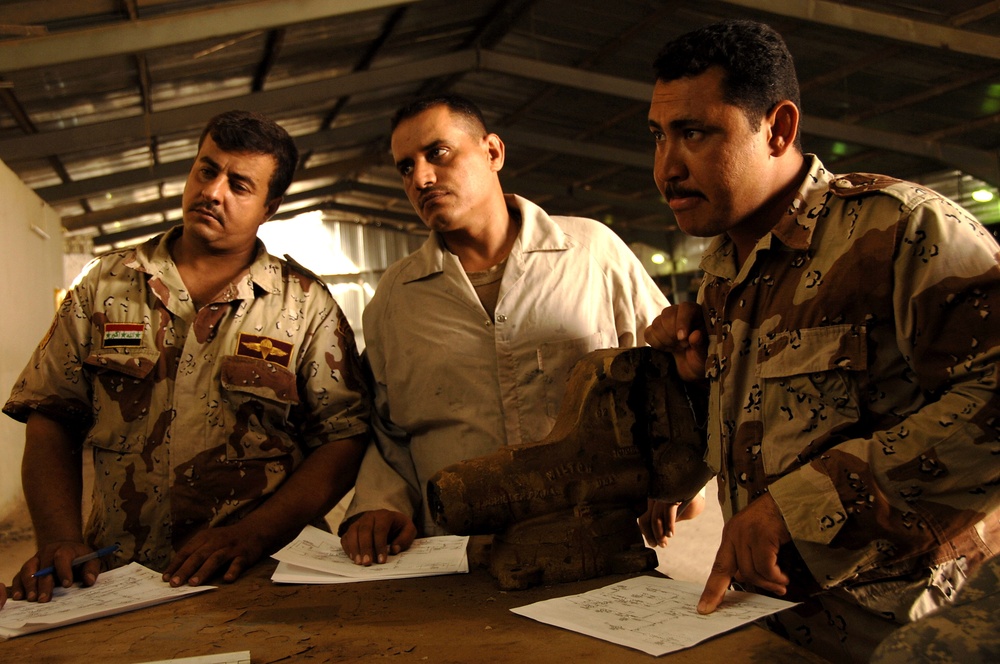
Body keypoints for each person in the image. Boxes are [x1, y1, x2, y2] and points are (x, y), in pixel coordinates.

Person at [644, 19, 1000, 661]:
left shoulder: (900, 229)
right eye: (658, 137)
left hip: (911, 631)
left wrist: (804, 503)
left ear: (778, 129)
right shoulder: (724, 271)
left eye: (694, 133)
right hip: (778, 624)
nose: (667, 166)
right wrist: (691, 378)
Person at [3, 110, 370, 603]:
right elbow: (51, 415)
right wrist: (58, 539)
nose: (214, 191)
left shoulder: (306, 306)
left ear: (270, 206)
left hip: (265, 573)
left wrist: (257, 532)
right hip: (119, 571)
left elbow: (342, 439)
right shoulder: (104, 286)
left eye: (240, 185)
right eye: (207, 170)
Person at [339, 94, 685, 566]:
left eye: (437, 154)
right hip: (453, 556)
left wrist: (674, 478)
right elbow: (386, 430)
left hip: (594, 543)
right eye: (405, 167)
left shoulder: (591, 254)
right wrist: (380, 505)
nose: (420, 178)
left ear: (493, 152)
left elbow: (669, 377)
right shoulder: (396, 300)